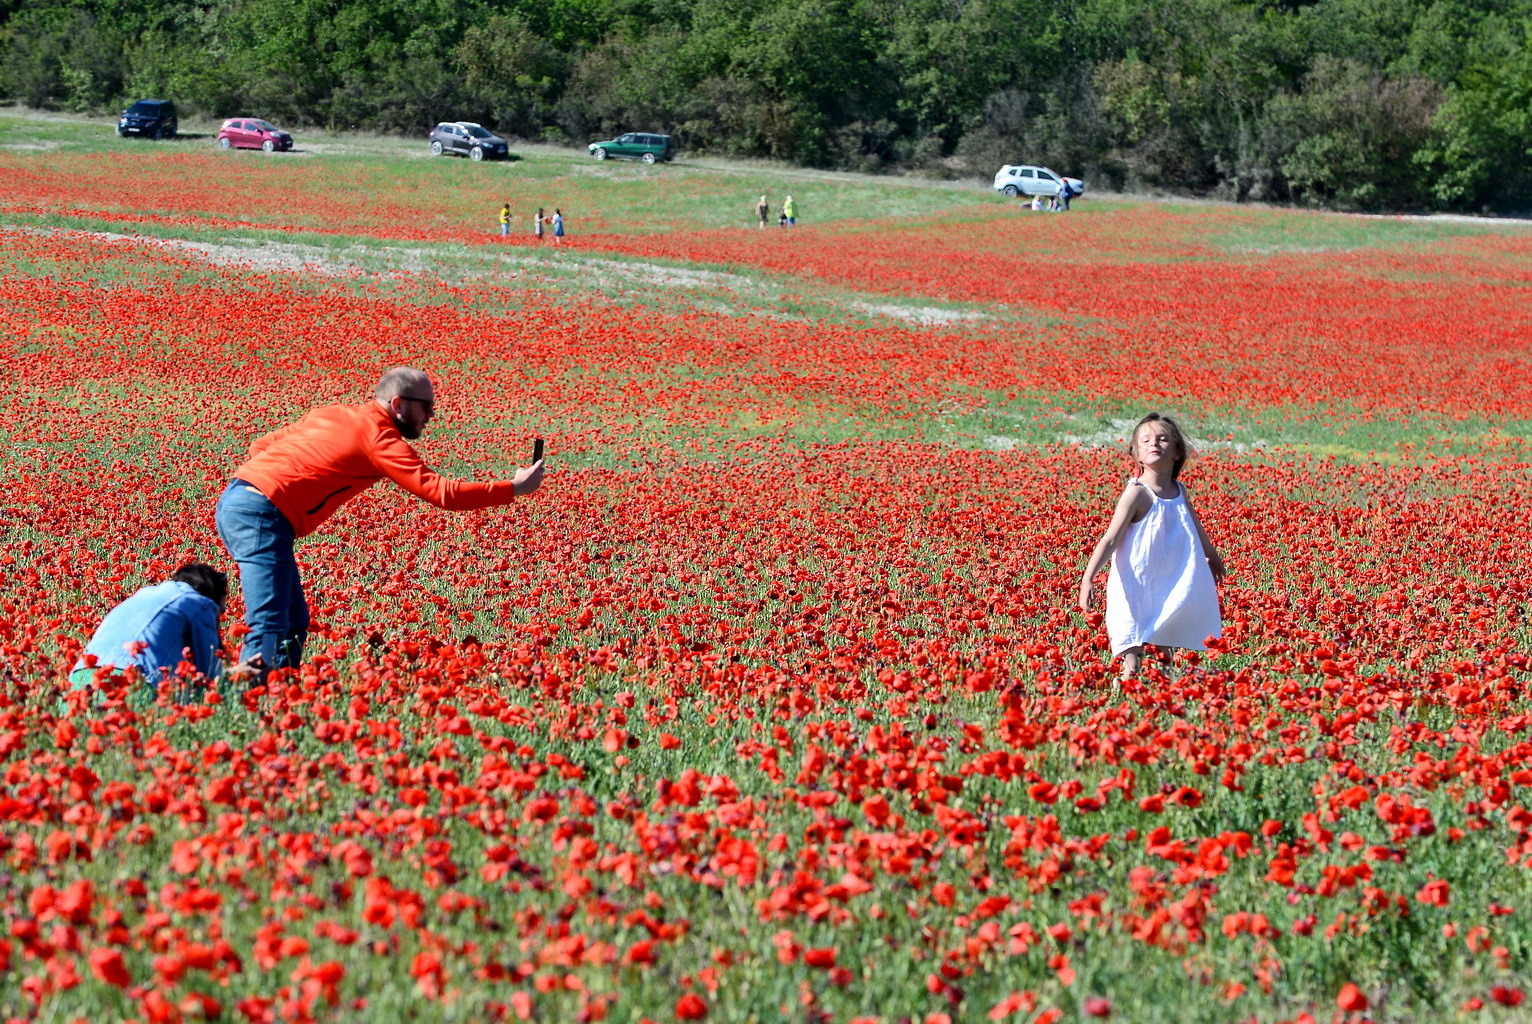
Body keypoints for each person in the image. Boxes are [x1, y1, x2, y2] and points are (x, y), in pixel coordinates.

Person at [216, 367, 544, 677]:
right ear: (398, 404)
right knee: (271, 618)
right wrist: (514, 487)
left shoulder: (331, 413)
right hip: (262, 513)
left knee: (291, 620)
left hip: (242, 501)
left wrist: (275, 482)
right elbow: (443, 493)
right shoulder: (379, 437)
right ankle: (248, 697)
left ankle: (277, 694)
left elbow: (260, 446)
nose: (431, 415)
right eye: (426, 406)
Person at [1077, 413, 1225, 680]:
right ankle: (1123, 700)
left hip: (1169, 581)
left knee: (1164, 652)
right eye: (1145, 440)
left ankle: (1161, 701)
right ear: (1136, 453)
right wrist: (1088, 578)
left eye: (1162, 439)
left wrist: (1211, 555)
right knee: (1133, 656)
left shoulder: (1179, 490)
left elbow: (1193, 523)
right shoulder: (1137, 493)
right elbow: (1110, 539)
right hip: (1136, 584)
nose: (1153, 443)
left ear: (1178, 452)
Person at [71, 563, 228, 693]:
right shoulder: (200, 604)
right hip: (130, 679)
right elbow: (211, 676)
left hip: (80, 679)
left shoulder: (144, 595)